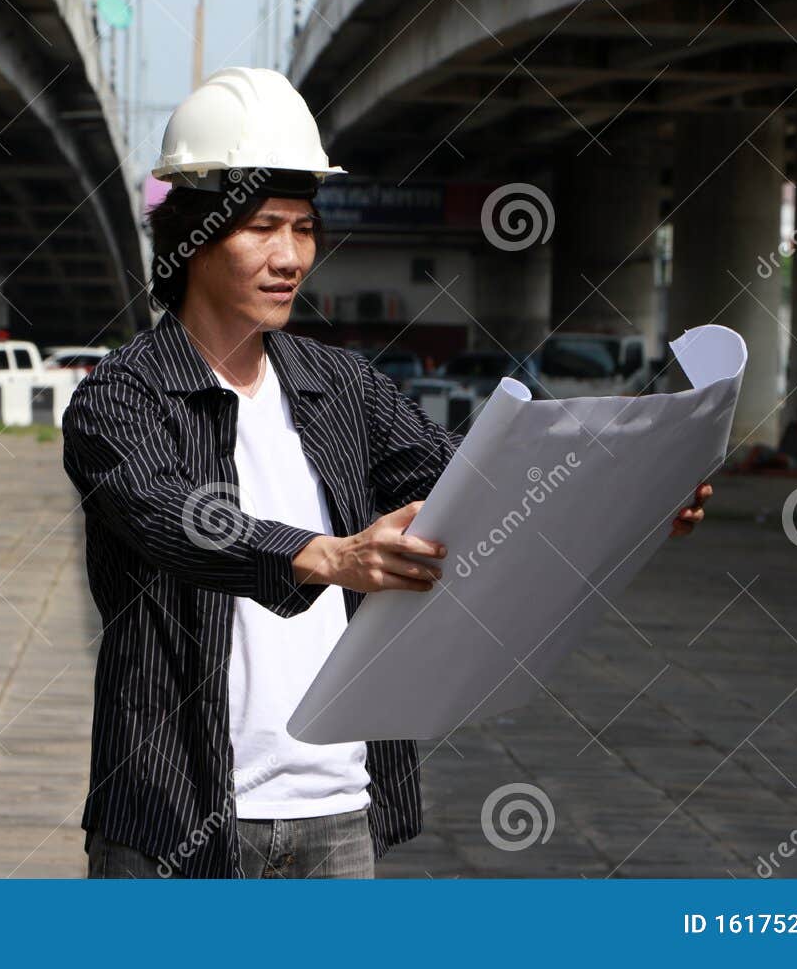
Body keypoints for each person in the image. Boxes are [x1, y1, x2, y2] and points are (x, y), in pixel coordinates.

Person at [61, 67, 712, 880]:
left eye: (303, 229)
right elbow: (168, 513)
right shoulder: (120, 394)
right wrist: (327, 556)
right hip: (173, 813)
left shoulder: (341, 385)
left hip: (338, 807)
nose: (290, 256)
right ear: (192, 236)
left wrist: (633, 498)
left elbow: (473, 481)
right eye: (263, 227)